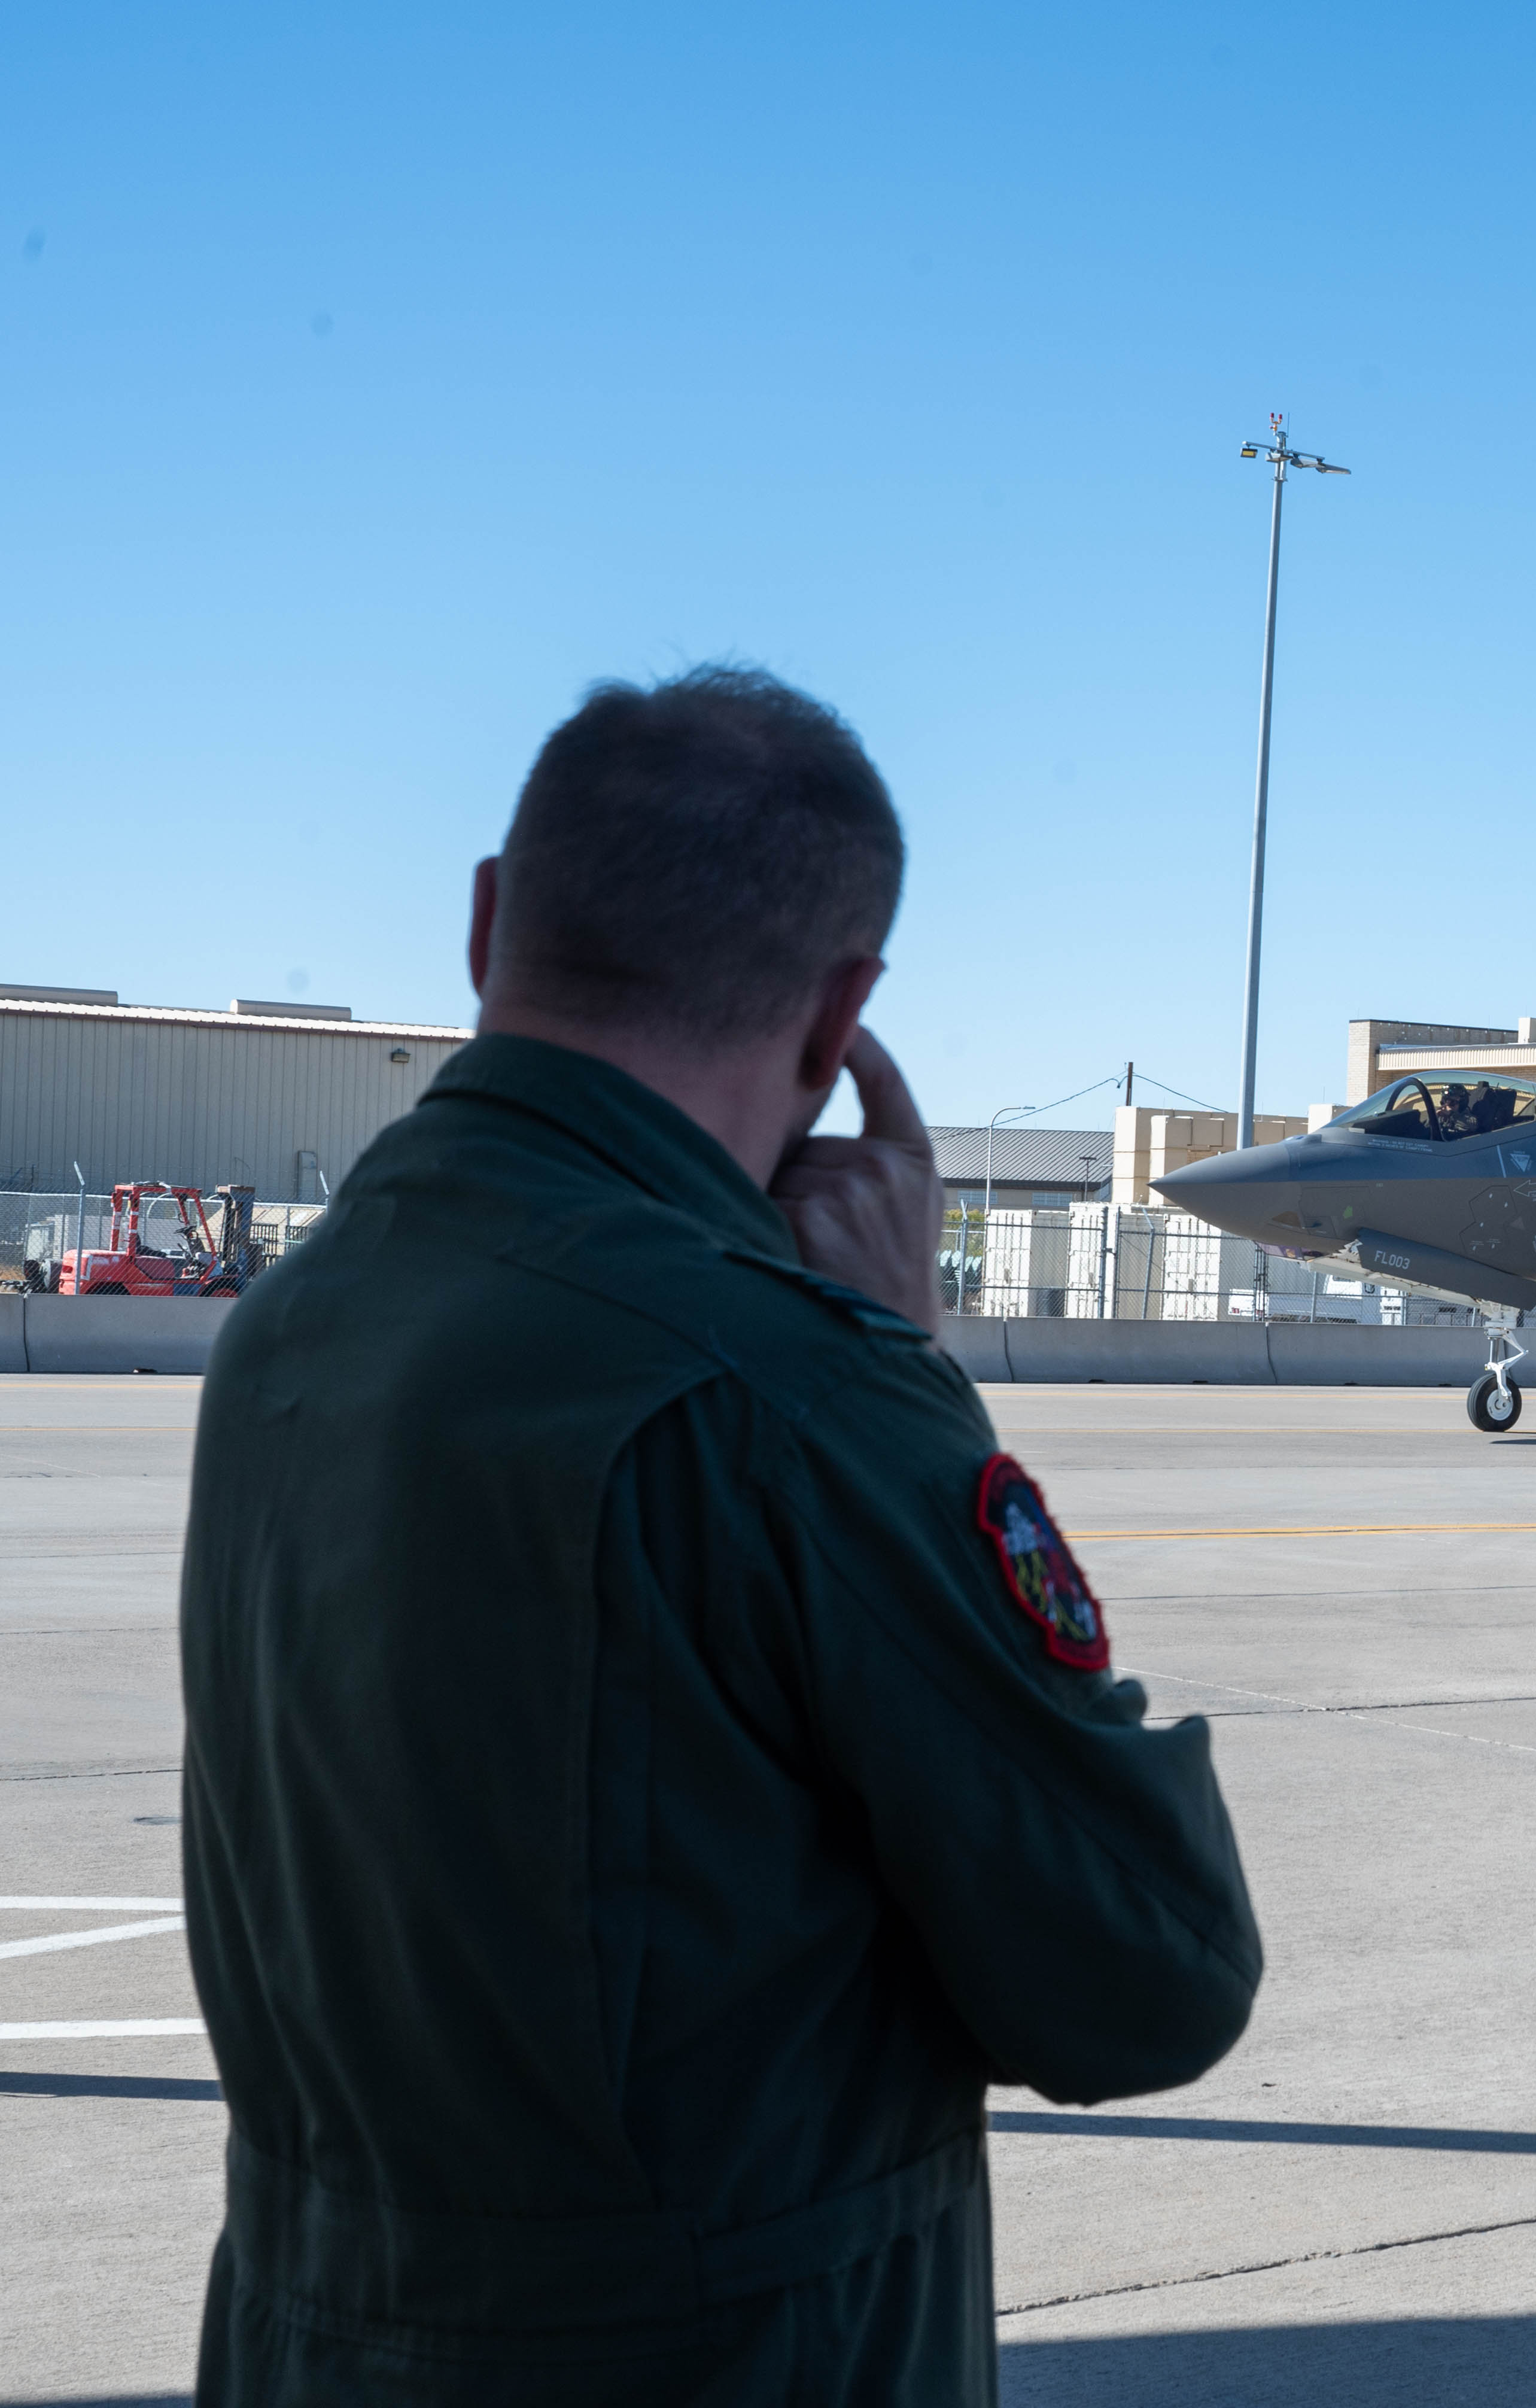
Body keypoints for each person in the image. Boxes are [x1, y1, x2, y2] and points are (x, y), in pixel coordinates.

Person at [180, 667, 1264, 2405]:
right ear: (843, 1022)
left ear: (485, 924)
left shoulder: (296, 1323)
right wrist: (909, 1373)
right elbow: (1149, 1976)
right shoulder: (793, 1389)